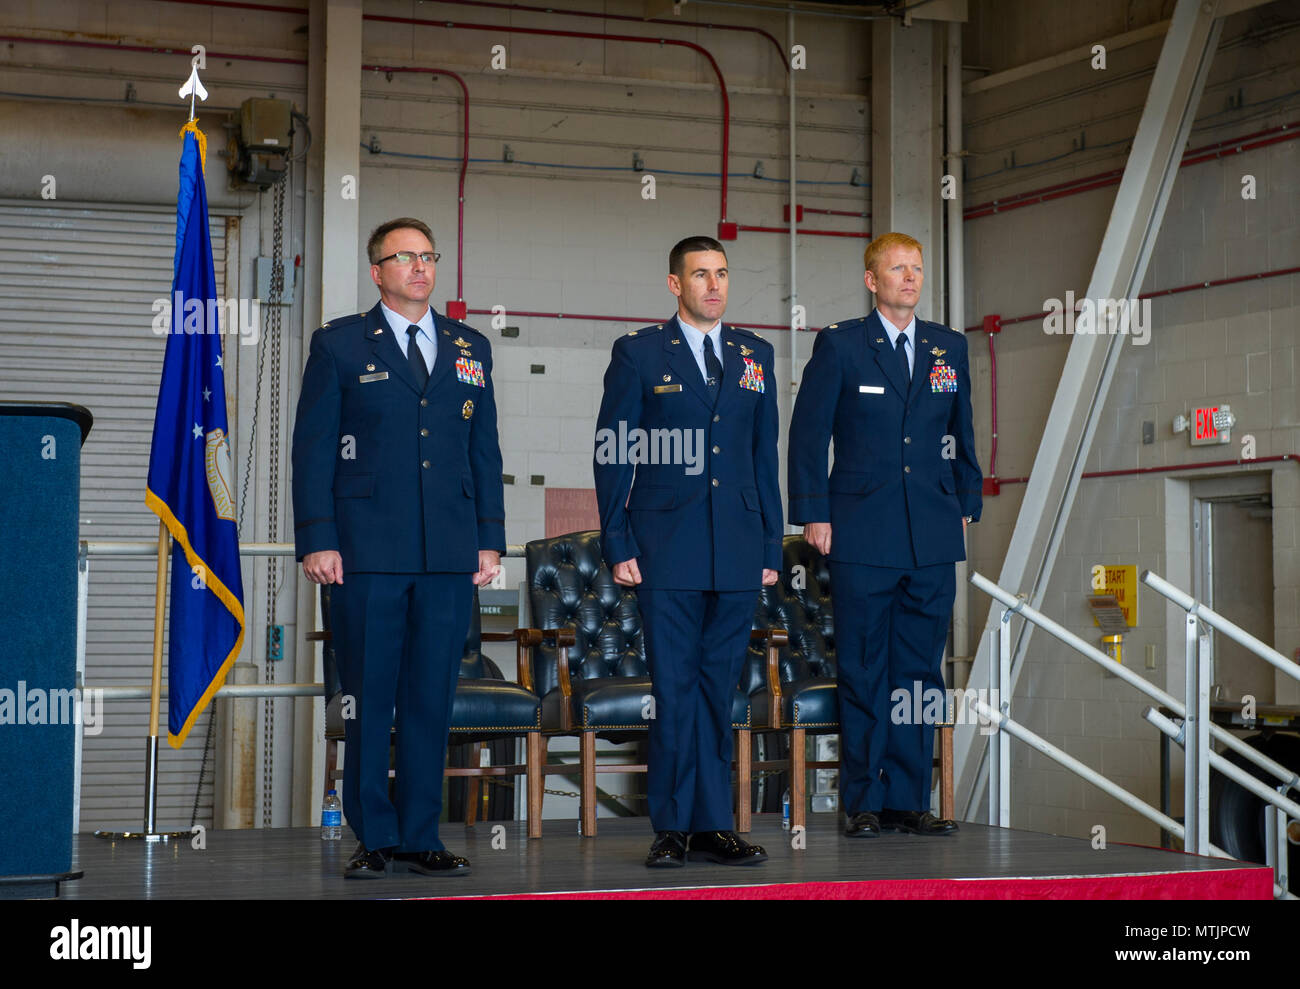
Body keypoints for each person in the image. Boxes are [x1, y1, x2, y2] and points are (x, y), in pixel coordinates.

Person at [291, 217, 504, 878]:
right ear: (377, 270)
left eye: (427, 255)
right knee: (368, 696)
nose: (418, 266)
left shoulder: (470, 346)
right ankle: (374, 834)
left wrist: (490, 539)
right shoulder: (341, 345)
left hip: (447, 551)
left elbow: (484, 449)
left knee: (430, 697)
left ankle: (420, 833)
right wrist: (318, 537)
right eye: (403, 257)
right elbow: (313, 449)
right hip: (365, 551)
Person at [594, 236, 782, 868]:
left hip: (736, 546)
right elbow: (616, 449)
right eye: (700, 275)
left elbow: (763, 456)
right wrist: (617, 540)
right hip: (664, 548)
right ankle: (672, 826)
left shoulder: (756, 353)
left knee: (718, 689)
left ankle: (714, 825)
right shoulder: (640, 353)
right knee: (675, 689)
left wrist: (769, 543)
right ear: (675, 284)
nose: (714, 285)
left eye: (722, 274)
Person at [787, 232, 982, 839]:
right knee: (866, 668)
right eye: (898, 269)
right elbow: (807, 435)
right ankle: (863, 800)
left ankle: (907, 799)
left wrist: (967, 497)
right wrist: (813, 511)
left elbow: (962, 429)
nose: (910, 278)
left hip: (930, 535)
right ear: (872, 280)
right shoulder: (842, 345)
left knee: (921, 672)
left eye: (917, 269)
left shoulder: (949, 347)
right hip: (860, 535)